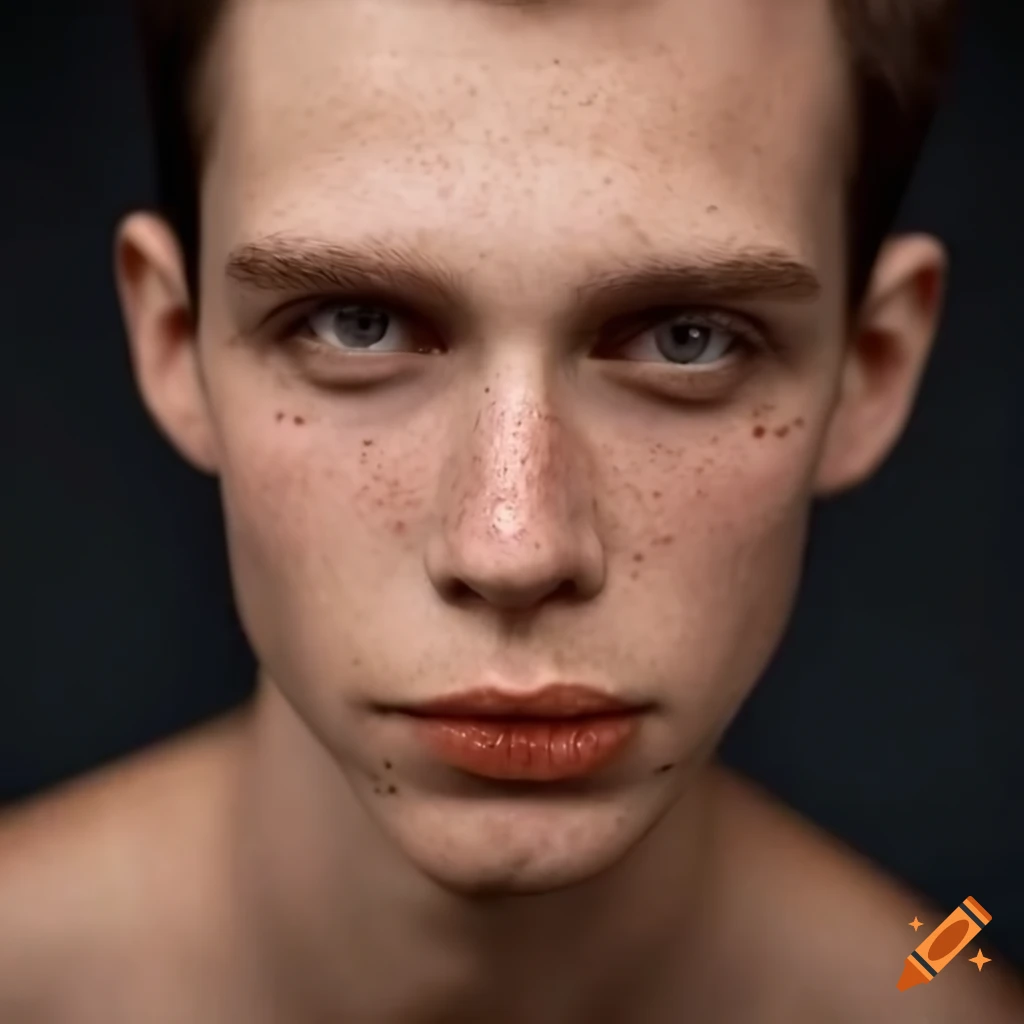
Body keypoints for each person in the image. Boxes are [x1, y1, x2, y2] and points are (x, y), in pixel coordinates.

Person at [1, 0, 1022, 1020]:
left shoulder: (939, 984)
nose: (512, 545)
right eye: (356, 325)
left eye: (686, 339)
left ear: (868, 370)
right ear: (175, 344)